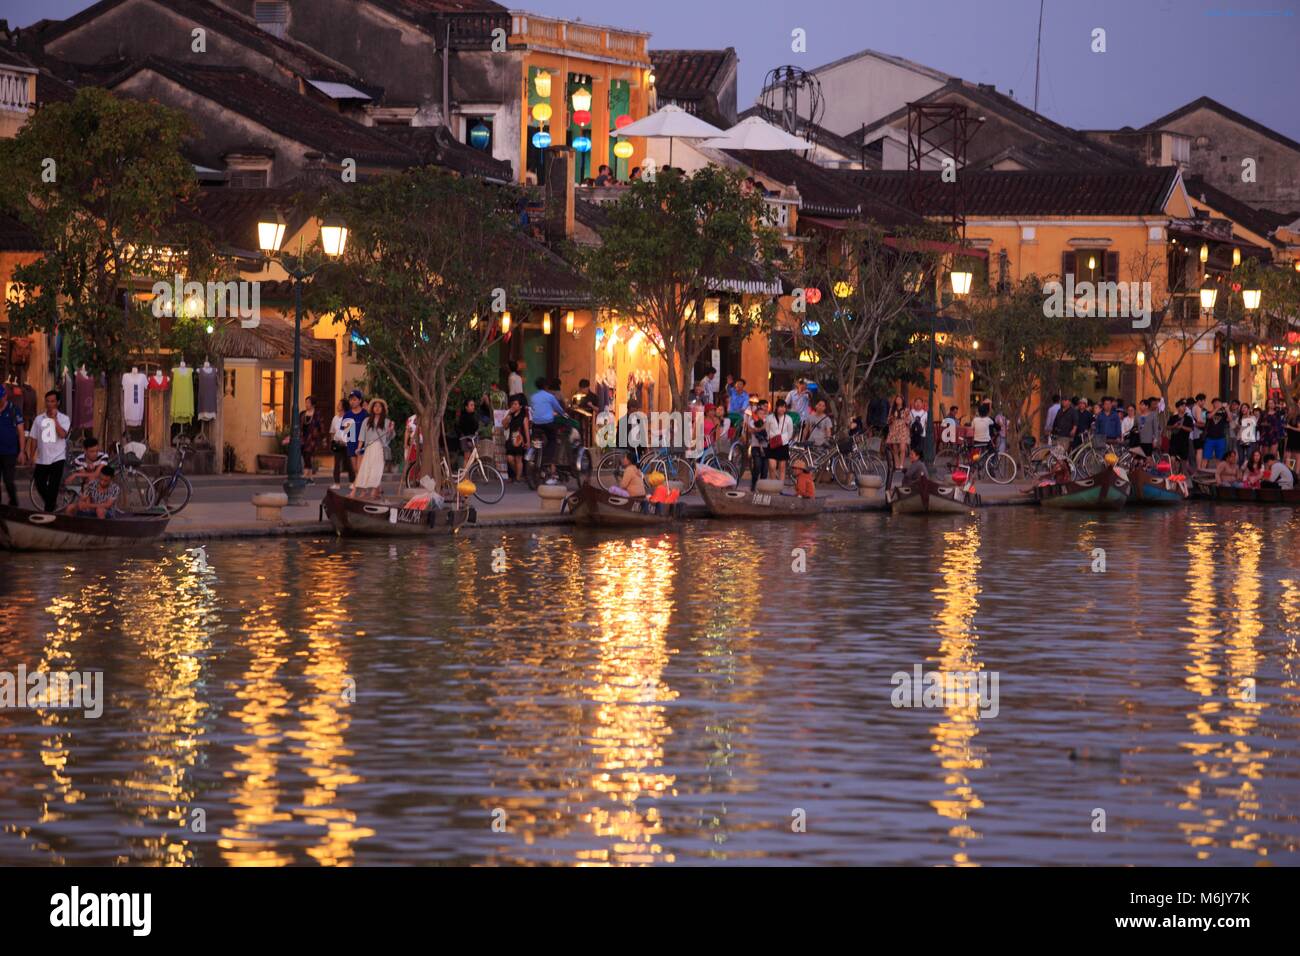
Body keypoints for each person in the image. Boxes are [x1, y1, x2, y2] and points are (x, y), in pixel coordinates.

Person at [27, 389, 70, 512]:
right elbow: (34, 438)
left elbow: (62, 434)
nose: (49, 404)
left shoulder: (64, 418)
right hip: (42, 458)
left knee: (53, 487)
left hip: (58, 457)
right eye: (47, 401)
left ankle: (49, 513)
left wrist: (54, 419)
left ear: (58, 402)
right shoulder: (39, 419)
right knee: (39, 483)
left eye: (52, 401)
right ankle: (51, 505)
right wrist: (31, 456)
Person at [351, 399, 392, 499]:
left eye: (379, 406)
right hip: (369, 448)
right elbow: (362, 436)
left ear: (383, 409)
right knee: (365, 469)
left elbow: (389, 438)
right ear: (372, 408)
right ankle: (365, 492)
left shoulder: (387, 422)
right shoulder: (366, 421)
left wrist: (390, 430)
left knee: (377, 469)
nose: (377, 408)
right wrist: (359, 448)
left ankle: (373, 492)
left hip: (380, 449)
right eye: (375, 406)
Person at [528, 375, 566, 466]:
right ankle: (547, 458)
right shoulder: (550, 397)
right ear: (546, 386)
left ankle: (536, 454)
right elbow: (558, 408)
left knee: (536, 440)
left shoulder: (533, 397)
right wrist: (563, 414)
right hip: (548, 424)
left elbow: (533, 409)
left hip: (536, 424)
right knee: (552, 440)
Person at [0, 383, 25, 506]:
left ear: (5, 396)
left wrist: (22, 451)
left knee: (8, 480)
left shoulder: (14, 410)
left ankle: (14, 503)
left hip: (10, 452)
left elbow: (21, 432)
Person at [766, 399, 794, 482]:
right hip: (772, 444)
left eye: (784, 407)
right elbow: (767, 430)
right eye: (781, 407)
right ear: (776, 407)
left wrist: (783, 439)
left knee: (782, 467)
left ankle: (780, 485)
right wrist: (769, 439)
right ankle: (773, 483)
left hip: (783, 444)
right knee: (772, 466)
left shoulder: (788, 419)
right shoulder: (769, 418)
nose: (783, 409)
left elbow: (790, 432)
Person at [503, 394, 530, 482]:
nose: (513, 406)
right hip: (511, 440)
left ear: (520, 406)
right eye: (512, 404)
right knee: (509, 458)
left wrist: (528, 441)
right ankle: (518, 474)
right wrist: (509, 414)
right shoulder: (510, 416)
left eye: (515, 404)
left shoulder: (524, 418)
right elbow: (504, 425)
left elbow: (526, 430)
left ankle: (518, 478)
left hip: (520, 440)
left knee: (518, 459)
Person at [330, 399, 355, 488]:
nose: (338, 406)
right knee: (336, 464)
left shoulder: (349, 418)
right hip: (337, 444)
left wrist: (347, 442)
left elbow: (351, 433)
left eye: (340, 404)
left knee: (349, 463)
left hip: (347, 444)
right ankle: (337, 483)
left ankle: (352, 482)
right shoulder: (335, 418)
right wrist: (333, 442)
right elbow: (332, 431)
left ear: (344, 406)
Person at [343, 390, 368, 477]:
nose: (352, 402)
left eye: (354, 399)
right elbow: (346, 431)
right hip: (351, 443)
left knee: (360, 467)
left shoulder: (365, 414)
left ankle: (359, 484)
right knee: (355, 469)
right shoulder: (347, 414)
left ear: (360, 400)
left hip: (363, 444)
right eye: (350, 400)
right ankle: (358, 482)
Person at [299, 395, 324, 476]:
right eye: (306, 402)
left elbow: (321, 426)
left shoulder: (317, 414)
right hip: (303, 437)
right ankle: (309, 475)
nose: (306, 404)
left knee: (308, 454)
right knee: (304, 454)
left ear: (313, 404)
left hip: (312, 438)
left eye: (308, 403)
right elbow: (299, 425)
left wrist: (321, 437)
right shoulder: (302, 414)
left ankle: (306, 472)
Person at [747, 400, 769, 491]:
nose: (762, 415)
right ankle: (753, 483)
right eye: (760, 413)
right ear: (756, 414)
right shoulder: (752, 421)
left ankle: (762, 487)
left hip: (766, 447)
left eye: (763, 413)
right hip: (755, 446)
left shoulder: (767, 420)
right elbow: (753, 429)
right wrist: (762, 427)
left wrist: (763, 426)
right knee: (757, 465)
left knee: (765, 469)